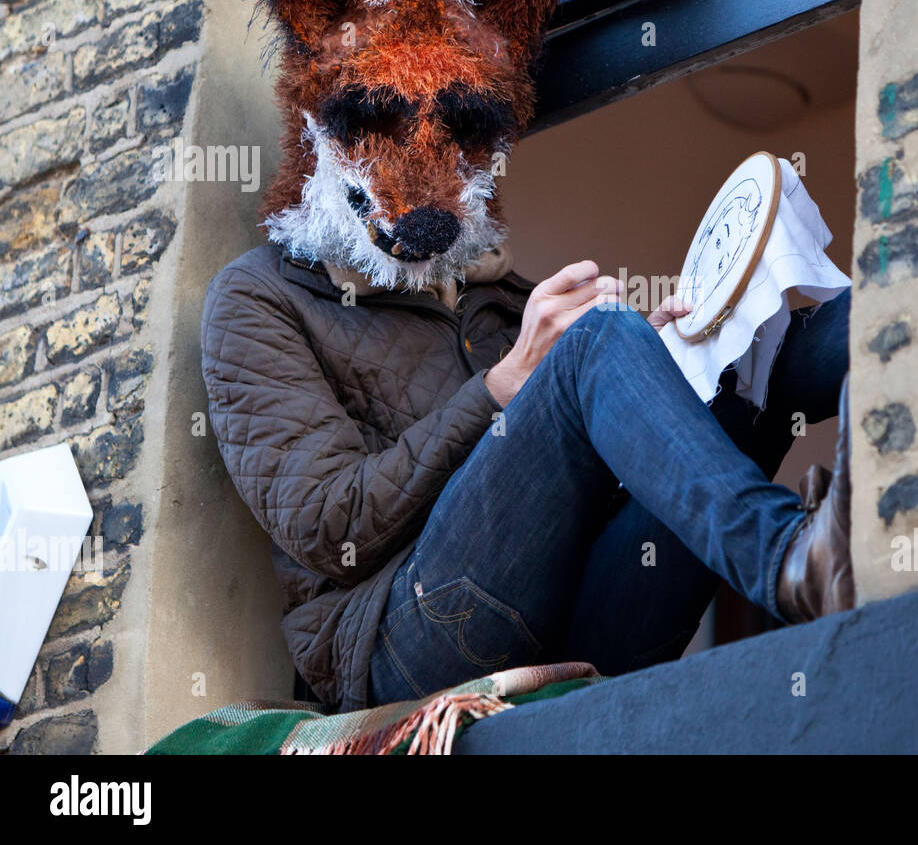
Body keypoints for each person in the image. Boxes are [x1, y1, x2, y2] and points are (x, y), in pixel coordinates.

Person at [201, 245, 852, 711]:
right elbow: (329, 525)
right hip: (402, 647)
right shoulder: (258, 293)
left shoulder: (503, 291)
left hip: (580, 620)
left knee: (743, 353)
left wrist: (654, 377)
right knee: (598, 342)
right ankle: (794, 560)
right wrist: (499, 389)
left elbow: (574, 485)